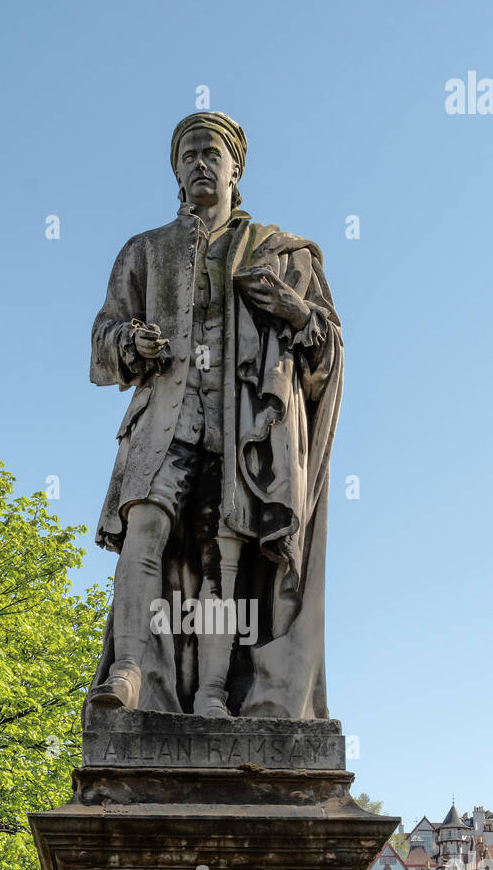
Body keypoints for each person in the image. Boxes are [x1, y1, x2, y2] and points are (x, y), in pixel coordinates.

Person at [87, 111, 343, 720]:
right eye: (189, 156)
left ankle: (210, 694)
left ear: (236, 169)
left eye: (212, 154)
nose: (200, 163)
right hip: (163, 420)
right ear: (176, 173)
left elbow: (327, 349)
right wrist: (130, 341)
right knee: (143, 533)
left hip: (242, 431)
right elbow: (101, 342)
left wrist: (292, 309)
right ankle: (128, 669)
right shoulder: (145, 251)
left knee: (220, 556)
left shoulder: (282, 255)